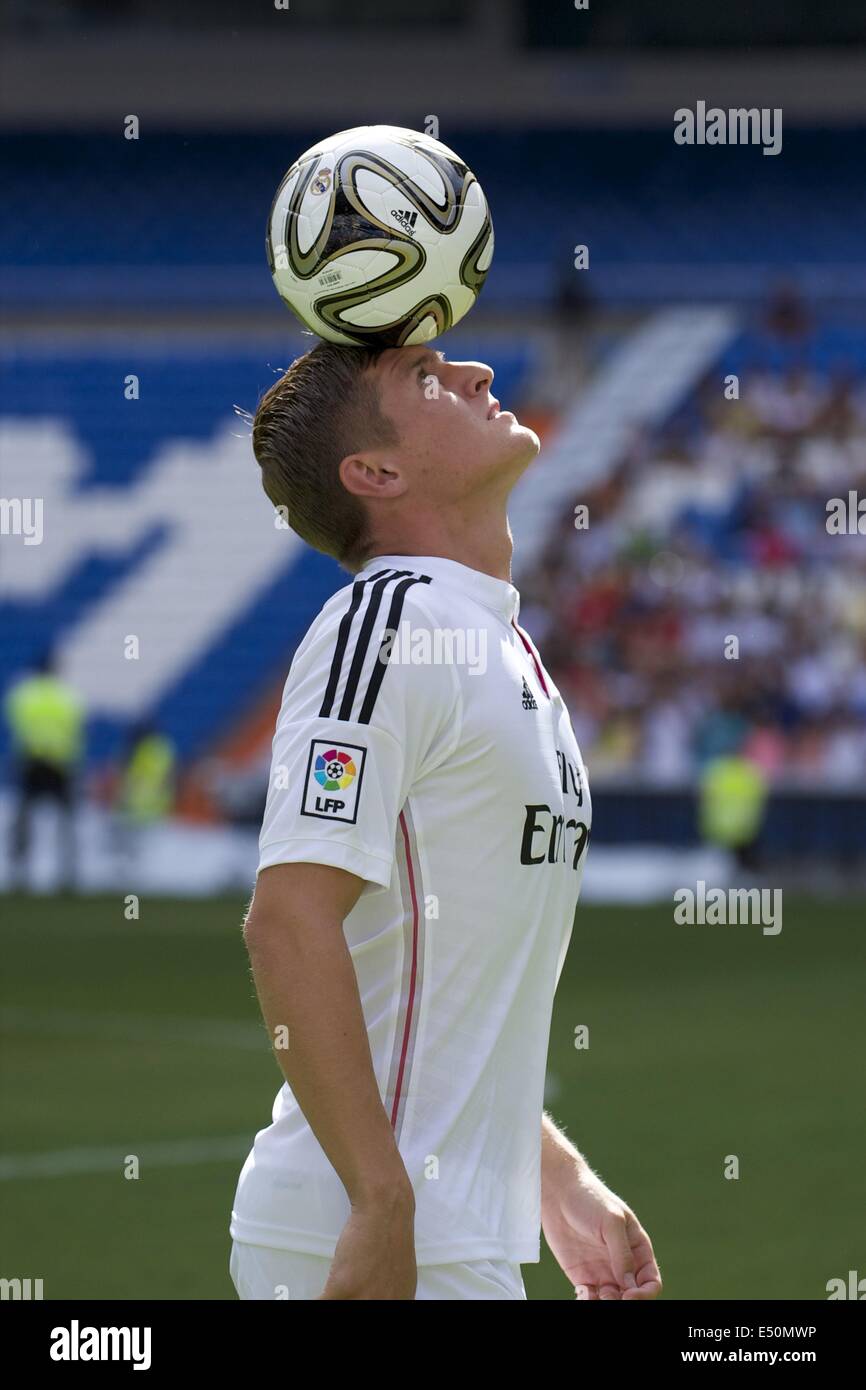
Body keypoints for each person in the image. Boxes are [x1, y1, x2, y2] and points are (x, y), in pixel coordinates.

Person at [228, 342, 662, 1302]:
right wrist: (381, 1203)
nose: (472, 371)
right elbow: (288, 918)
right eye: (426, 379)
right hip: (376, 1237)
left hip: (453, 1236)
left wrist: (551, 1178)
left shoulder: (498, 639)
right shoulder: (386, 624)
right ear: (375, 473)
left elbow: (448, 991)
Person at [5, 650, 84, 890]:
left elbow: (15, 722)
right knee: (66, 821)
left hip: (31, 761)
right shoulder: (68, 696)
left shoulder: (24, 694)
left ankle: (19, 872)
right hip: (61, 764)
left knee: (24, 818)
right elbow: (76, 730)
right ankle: (68, 874)